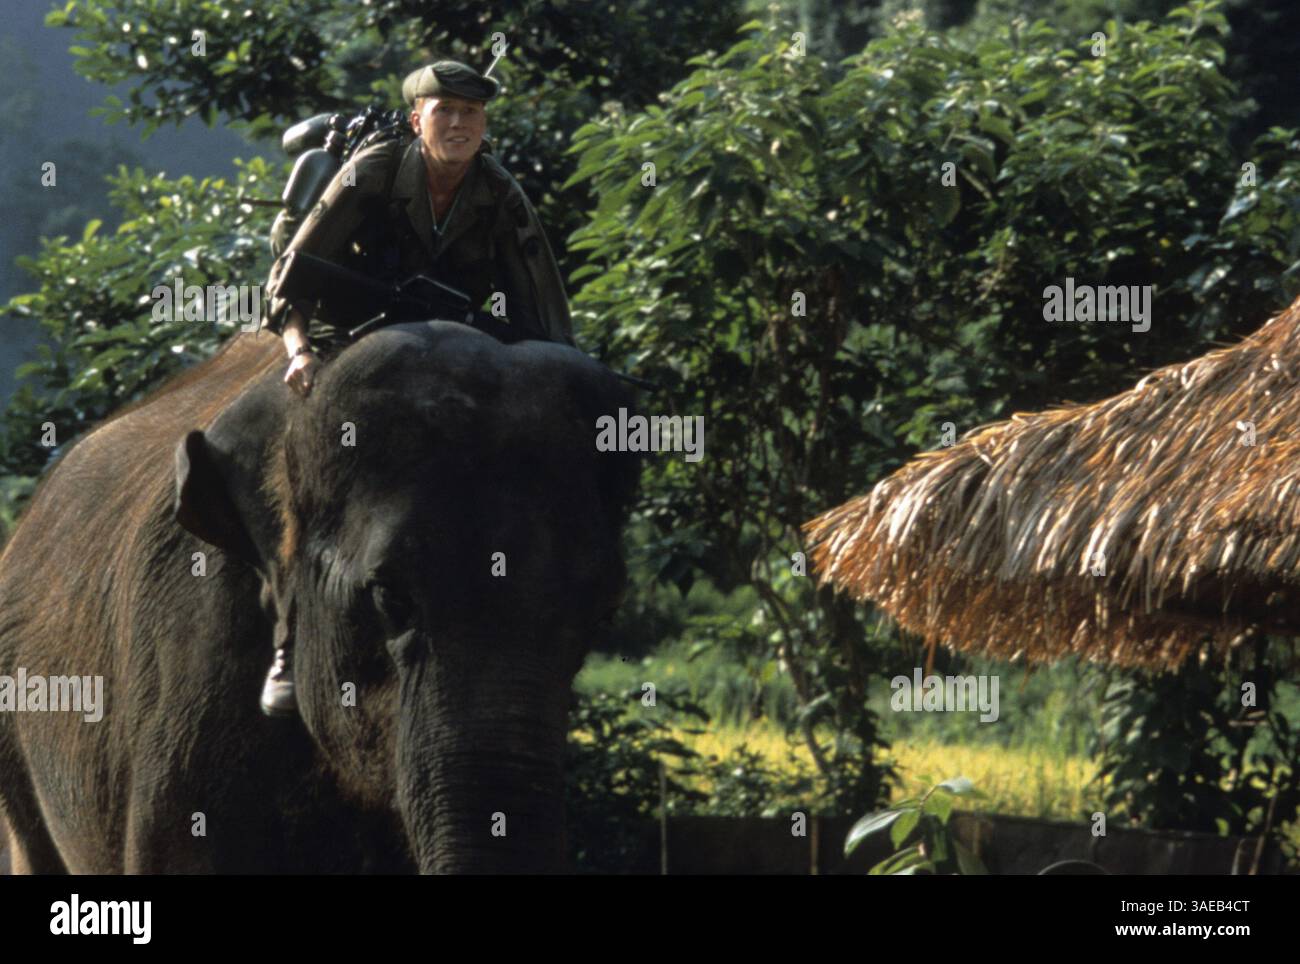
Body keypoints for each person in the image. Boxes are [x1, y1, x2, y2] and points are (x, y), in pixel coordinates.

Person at [257, 60, 575, 716]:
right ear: (416, 120)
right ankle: (289, 635)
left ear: (484, 126)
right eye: (444, 111)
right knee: (303, 462)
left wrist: (556, 382)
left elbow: (544, 308)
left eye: (471, 114)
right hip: (350, 334)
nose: (458, 124)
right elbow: (294, 282)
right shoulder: (370, 174)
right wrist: (301, 351)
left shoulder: (498, 191)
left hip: (452, 347)